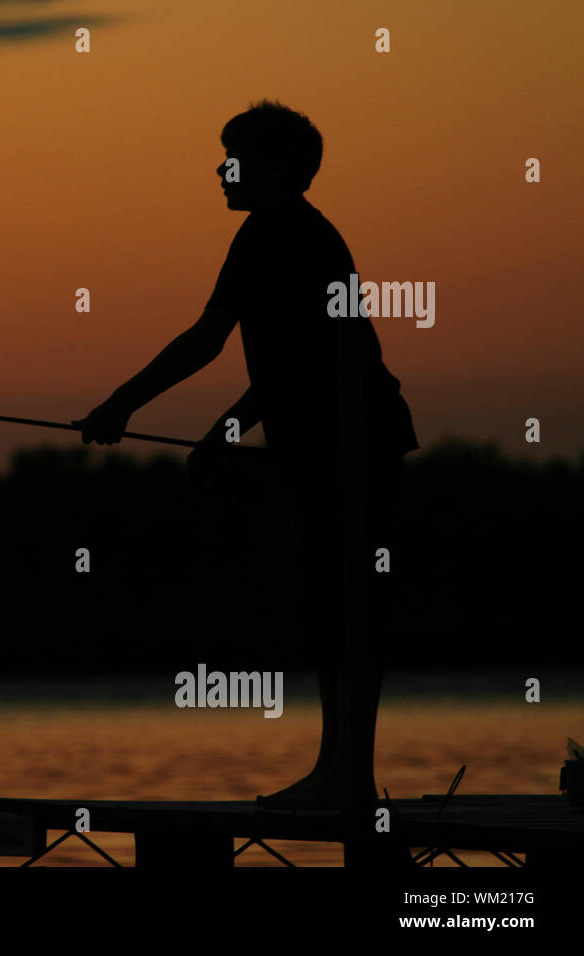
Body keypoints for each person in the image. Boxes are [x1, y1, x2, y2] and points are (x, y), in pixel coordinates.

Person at [74, 100, 419, 810]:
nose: (221, 170)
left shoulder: (285, 235)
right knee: (332, 608)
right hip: (327, 446)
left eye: (235, 156)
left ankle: (349, 773)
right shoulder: (273, 235)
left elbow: (215, 342)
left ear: (278, 168)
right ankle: (339, 769)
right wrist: (217, 436)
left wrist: (123, 405)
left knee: (349, 605)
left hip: (355, 445)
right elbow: (277, 371)